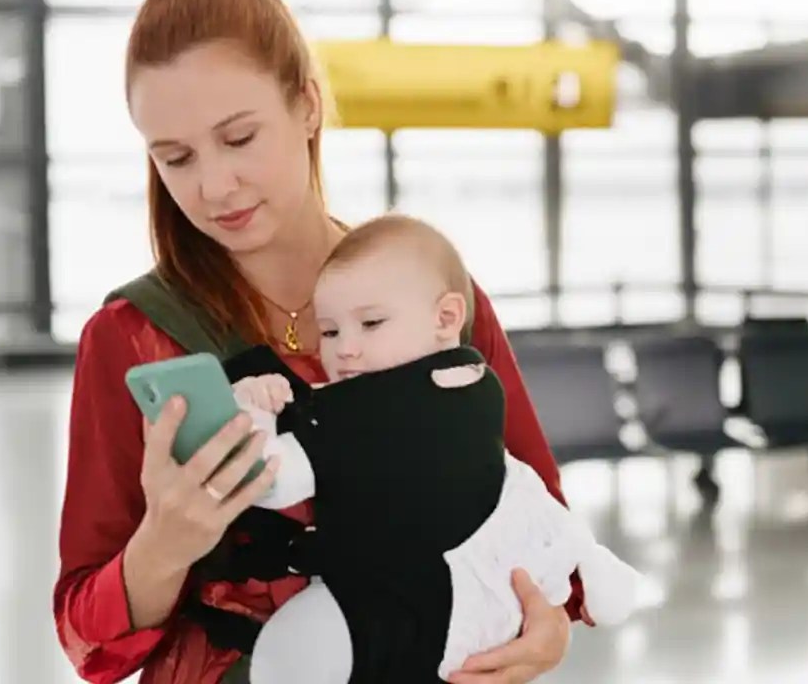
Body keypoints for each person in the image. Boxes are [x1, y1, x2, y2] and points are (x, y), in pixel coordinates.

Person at [53, 0, 586, 682]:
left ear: (307, 105)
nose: (214, 187)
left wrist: (545, 628)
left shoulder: (435, 294)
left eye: (239, 138)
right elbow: (87, 641)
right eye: (174, 158)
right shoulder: (131, 337)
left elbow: (540, 519)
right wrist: (163, 546)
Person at [228, 215, 640, 684]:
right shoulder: (471, 386)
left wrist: (251, 412)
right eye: (331, 332)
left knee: (287, 660)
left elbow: (269, 477)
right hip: (460, 614)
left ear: (446, 318)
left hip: (407, 617)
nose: (346, 349)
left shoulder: (379, 407)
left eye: (371, 323)